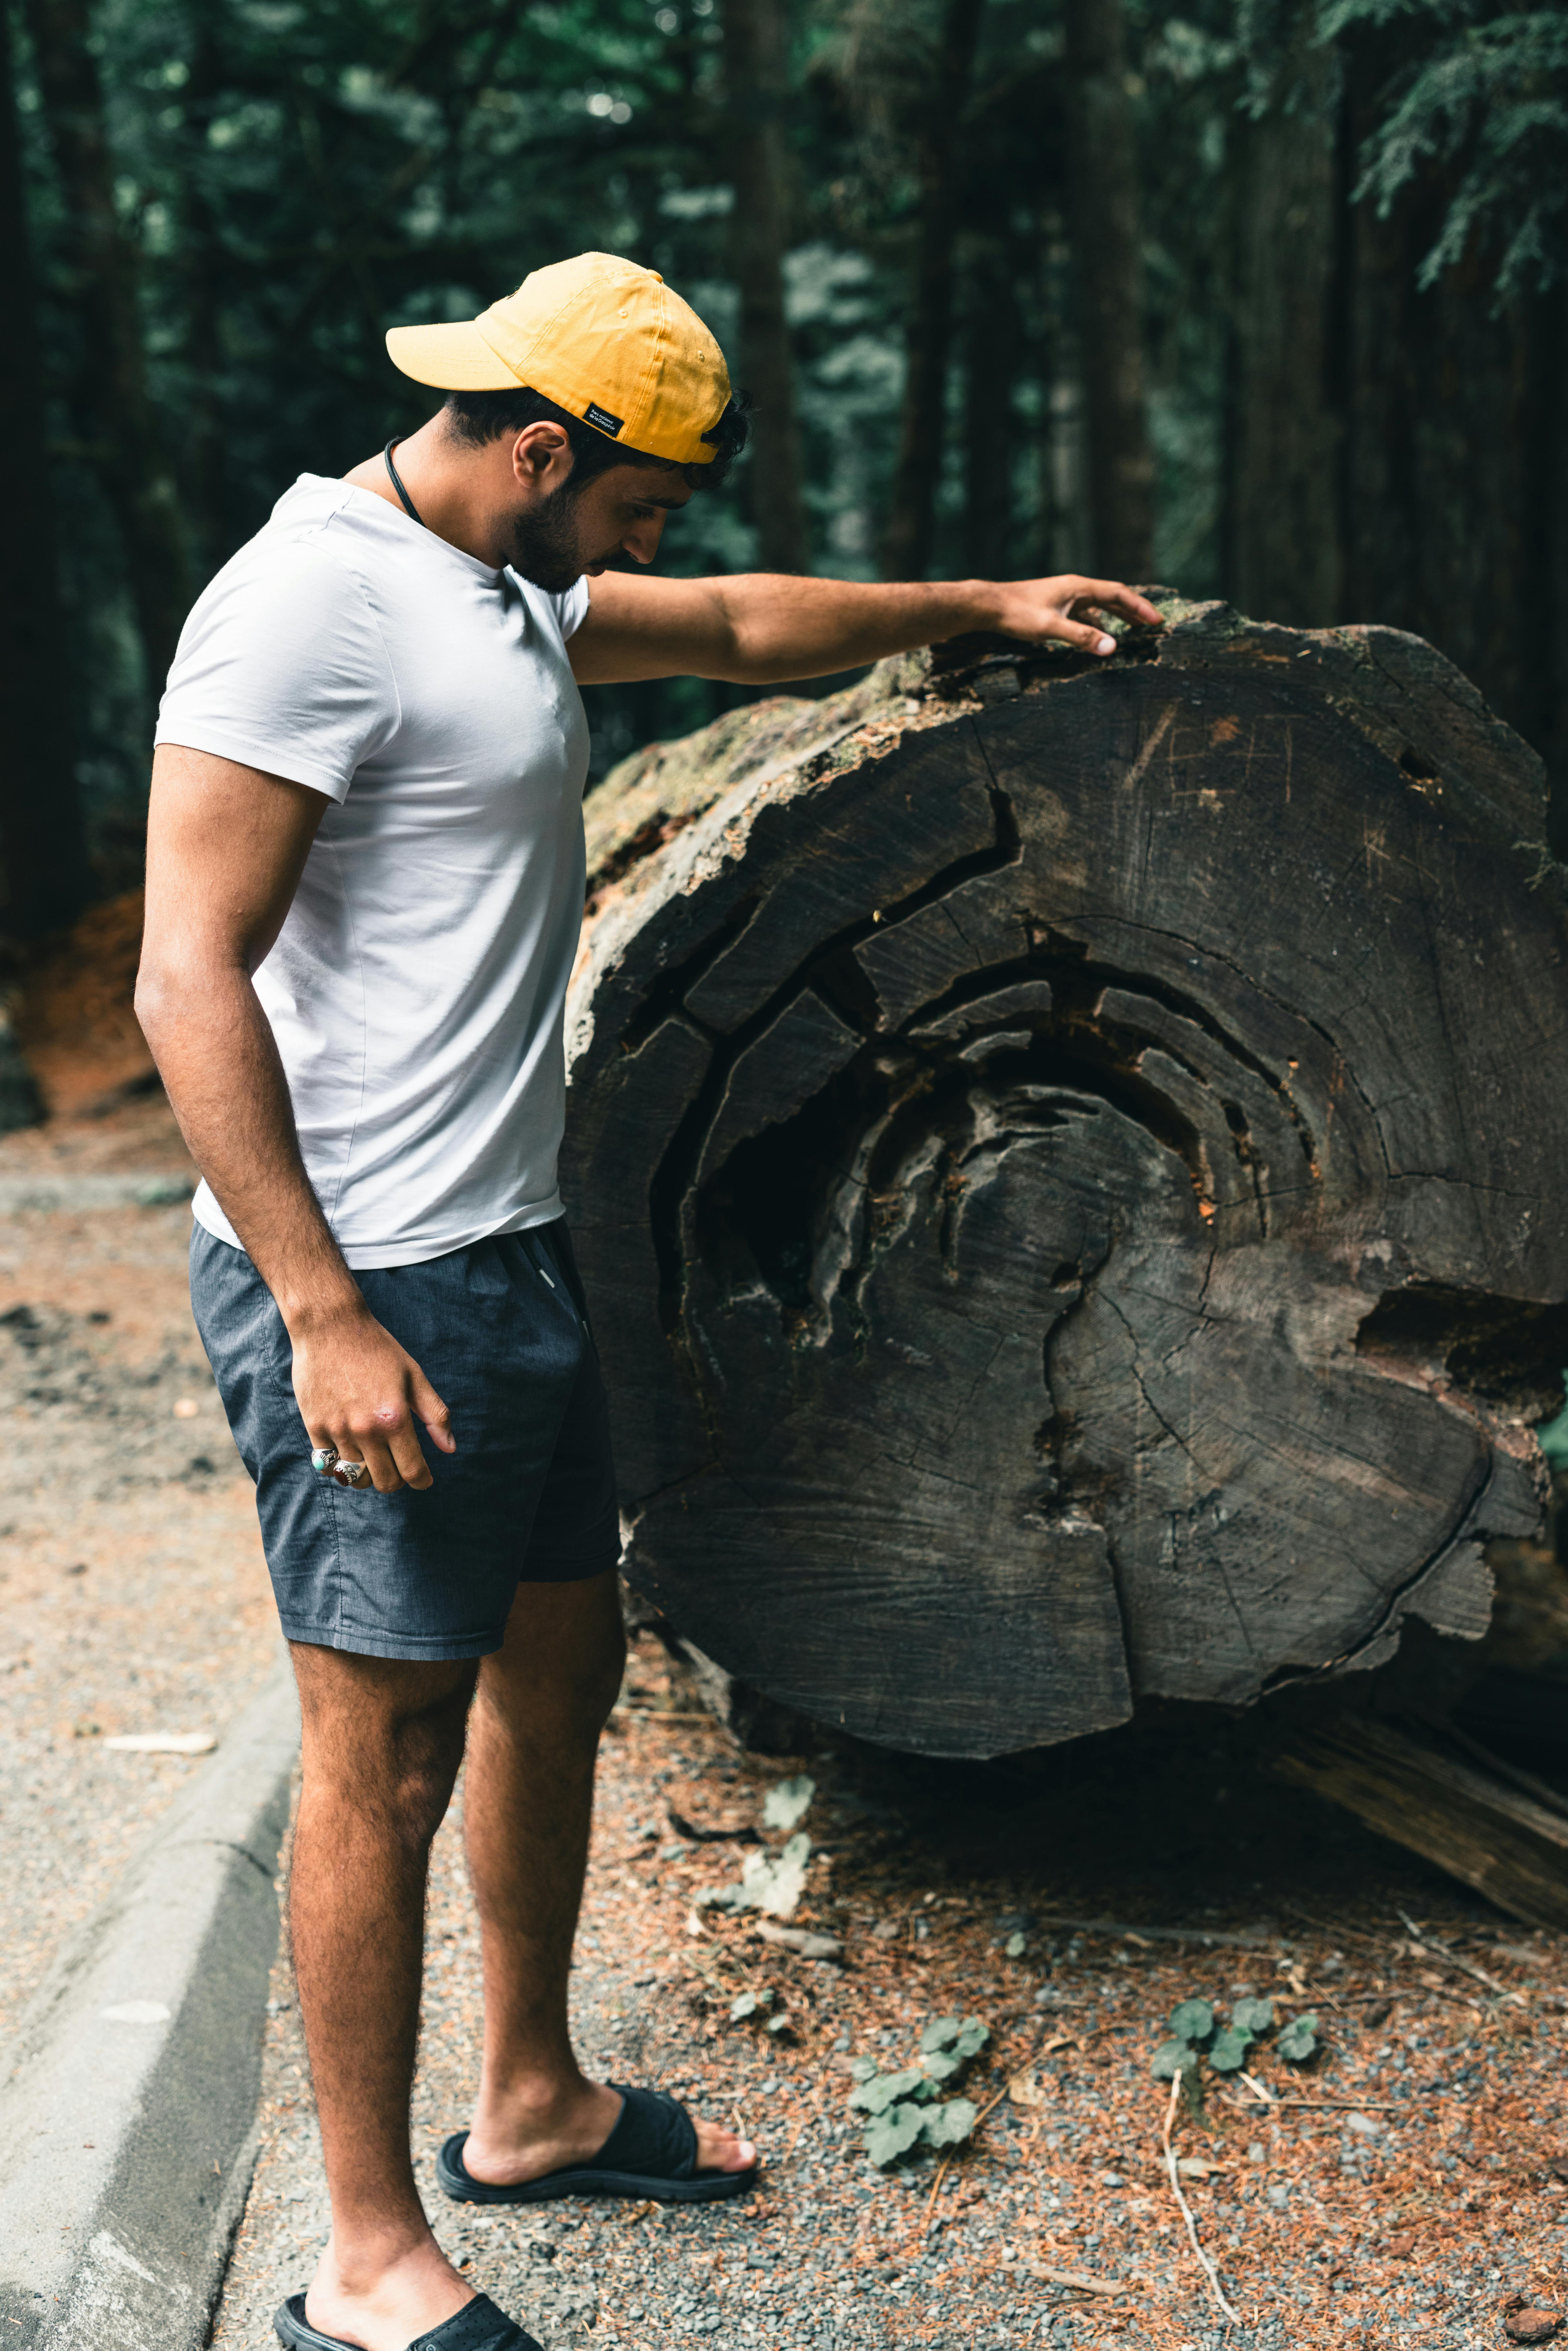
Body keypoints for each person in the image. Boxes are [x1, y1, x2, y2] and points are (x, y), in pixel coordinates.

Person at [137, 250, 1162, 2351]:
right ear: (539, 449)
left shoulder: (495, 576)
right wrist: (324, 1313)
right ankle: (361, 2265)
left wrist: (973, 606)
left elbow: (733, 630)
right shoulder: (310, 604)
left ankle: (526, 2100)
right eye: (633, 507)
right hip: (377, 1281)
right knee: (379, 1755)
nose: (646, 551)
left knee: (559, 1671)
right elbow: (184, 971)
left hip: (502, 1251)